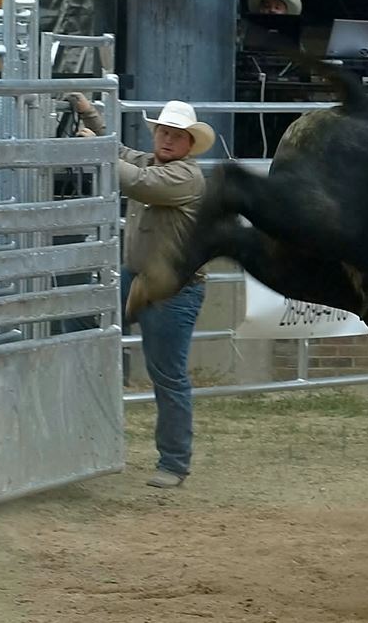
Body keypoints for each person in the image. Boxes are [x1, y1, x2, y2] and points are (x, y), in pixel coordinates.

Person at [68, 93, 213, 488]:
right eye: (163, 132)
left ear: (189, 144)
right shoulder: (153, 163)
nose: (166, 140)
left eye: (176, 135)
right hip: (138, 279)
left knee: (166, 374)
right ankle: (75, 437)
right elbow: (121, 152)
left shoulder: (185, 177)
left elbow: (136, 181)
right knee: (77, 324)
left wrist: (94, 147)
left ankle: (174, 462)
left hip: (172, 290)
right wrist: (90, 114)